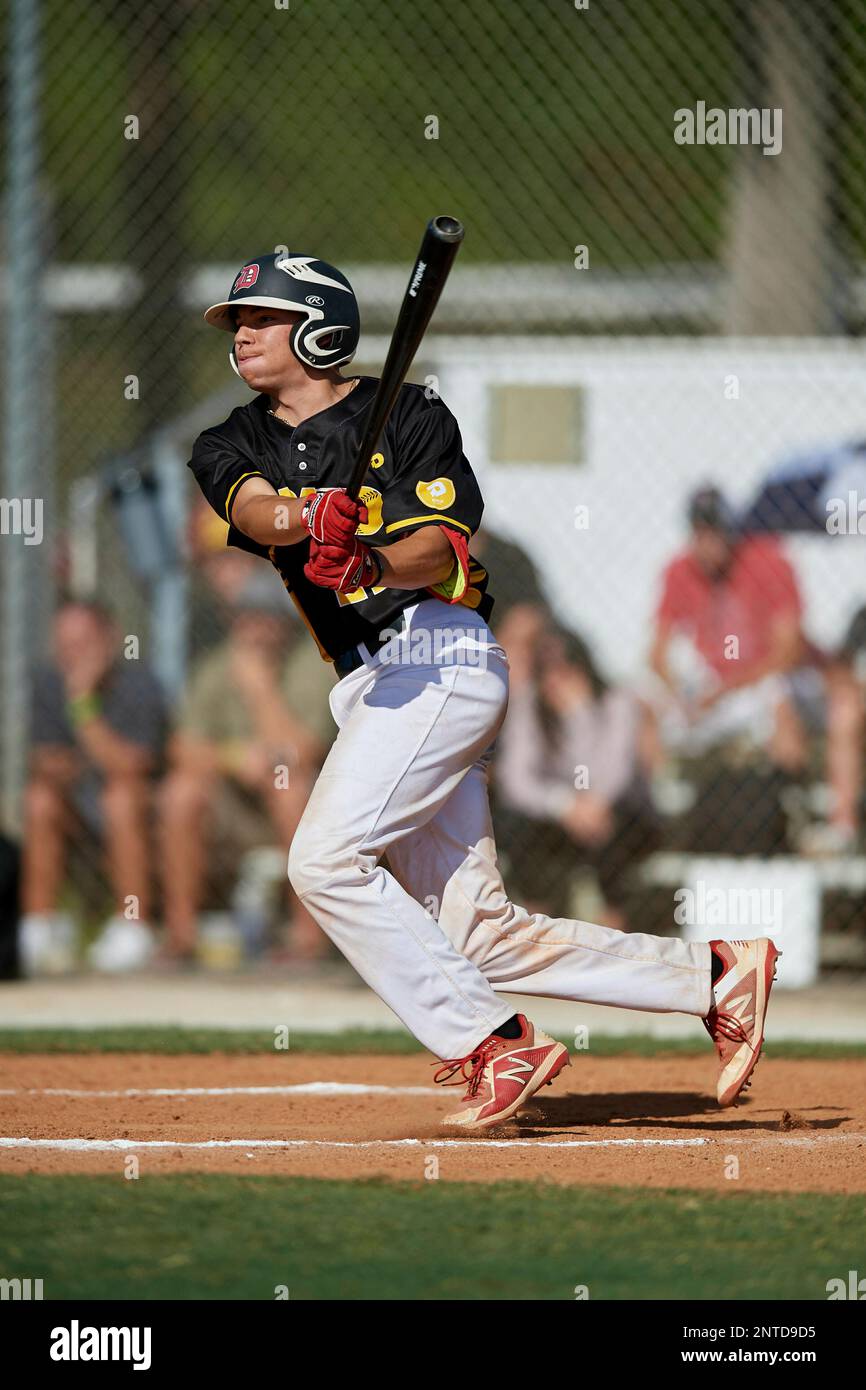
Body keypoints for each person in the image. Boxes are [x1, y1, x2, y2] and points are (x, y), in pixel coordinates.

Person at [187, 250, 780, 1128]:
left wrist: (373, 556)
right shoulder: (231, 438)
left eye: (261, 319)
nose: (242, 336)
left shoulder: (415, 414)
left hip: (437, 660)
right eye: (238, 323)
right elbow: (251, 509)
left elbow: (447, 544)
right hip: (371, 687)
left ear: (319, 325)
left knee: (321, 862)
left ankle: (489, 1044)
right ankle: (716, 975)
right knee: (477, 934)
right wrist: (313, 516)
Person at [159, 578, 335, 960]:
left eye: (267, 619)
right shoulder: (217, 666)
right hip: (231, 805)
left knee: (288, 786)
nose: (255, 629)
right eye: (247, 619)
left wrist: (260, 691)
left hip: (295, 807)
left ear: (287, 623)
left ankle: (307, 938)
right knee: (179, 793)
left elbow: (303, 753)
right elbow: (181, 748)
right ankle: (181, 934)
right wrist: (234, 758)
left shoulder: (311, 664)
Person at [21, 597, 167, 973]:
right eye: (65, 645)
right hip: (78, 808)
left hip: (137, 814)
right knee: (39, 800)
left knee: (119, 798)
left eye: (83, 644)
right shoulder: (47, 681)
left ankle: (132, 926)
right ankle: (40, 927)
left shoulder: (139, 682)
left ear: (109, 639)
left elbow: (129, 768)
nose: (73, 656)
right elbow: (45, 761)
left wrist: (82, 705)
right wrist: (90, 758)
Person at [494, 620, 659, 929]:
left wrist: (579, 716)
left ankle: (612, 933)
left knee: (611, 829)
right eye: (547, 671)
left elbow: (614, 774)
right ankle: (537, 933)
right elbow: (516, 781)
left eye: (565, 668)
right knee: (520, 827)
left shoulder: (617, 701)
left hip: (613, 811)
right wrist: (565, 805)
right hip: (559, 816)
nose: (556, 681)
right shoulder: (529, 704)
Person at [648, 487, 811, 769]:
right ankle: (661, 800)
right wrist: (682, 693)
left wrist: (727, 688)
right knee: (640, 706)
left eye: (715, 532)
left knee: (778, 696)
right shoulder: (680, 570)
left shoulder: (768, 561)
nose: (709, 544)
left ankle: (789, 787)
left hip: (760, 680)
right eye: (701, 534)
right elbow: (657, 653)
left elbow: (788, 652)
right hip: (708, 685)